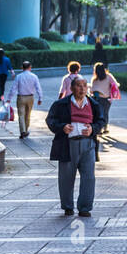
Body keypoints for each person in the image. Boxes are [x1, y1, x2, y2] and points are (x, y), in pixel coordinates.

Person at [45, 76, 105, 217]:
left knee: (89, 177)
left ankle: (85, 208)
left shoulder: (94, 104)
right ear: (71, 88)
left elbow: (101, 121)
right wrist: (62, 127)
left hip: (87, 144)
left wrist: (93, 129)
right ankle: (68, 207)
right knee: (66, 177)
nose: (82, 88)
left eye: (85, 85)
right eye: (78, 85)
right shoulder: (61, 104)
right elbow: (50, 120)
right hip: (68, 144)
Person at [4, 60, 44, 139]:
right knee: (28, 115)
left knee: (21, 115)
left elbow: (13, 88)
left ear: (22, 68)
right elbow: (38, 88)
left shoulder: (19, 76)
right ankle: (25, 130)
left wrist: (9, 98)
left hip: (21, 98)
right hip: (30, 97)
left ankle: (22, 131)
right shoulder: (34, 76)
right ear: (30, 67)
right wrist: (40, 98)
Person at [89, 62, 119, 138]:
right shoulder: (109, 76)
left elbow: (92, 90)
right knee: (105, 113)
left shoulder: (95, 79)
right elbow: (115, 84)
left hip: (96, 98)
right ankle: (105, 128)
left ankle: (99, 130)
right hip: (107, 98)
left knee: (98, 114)